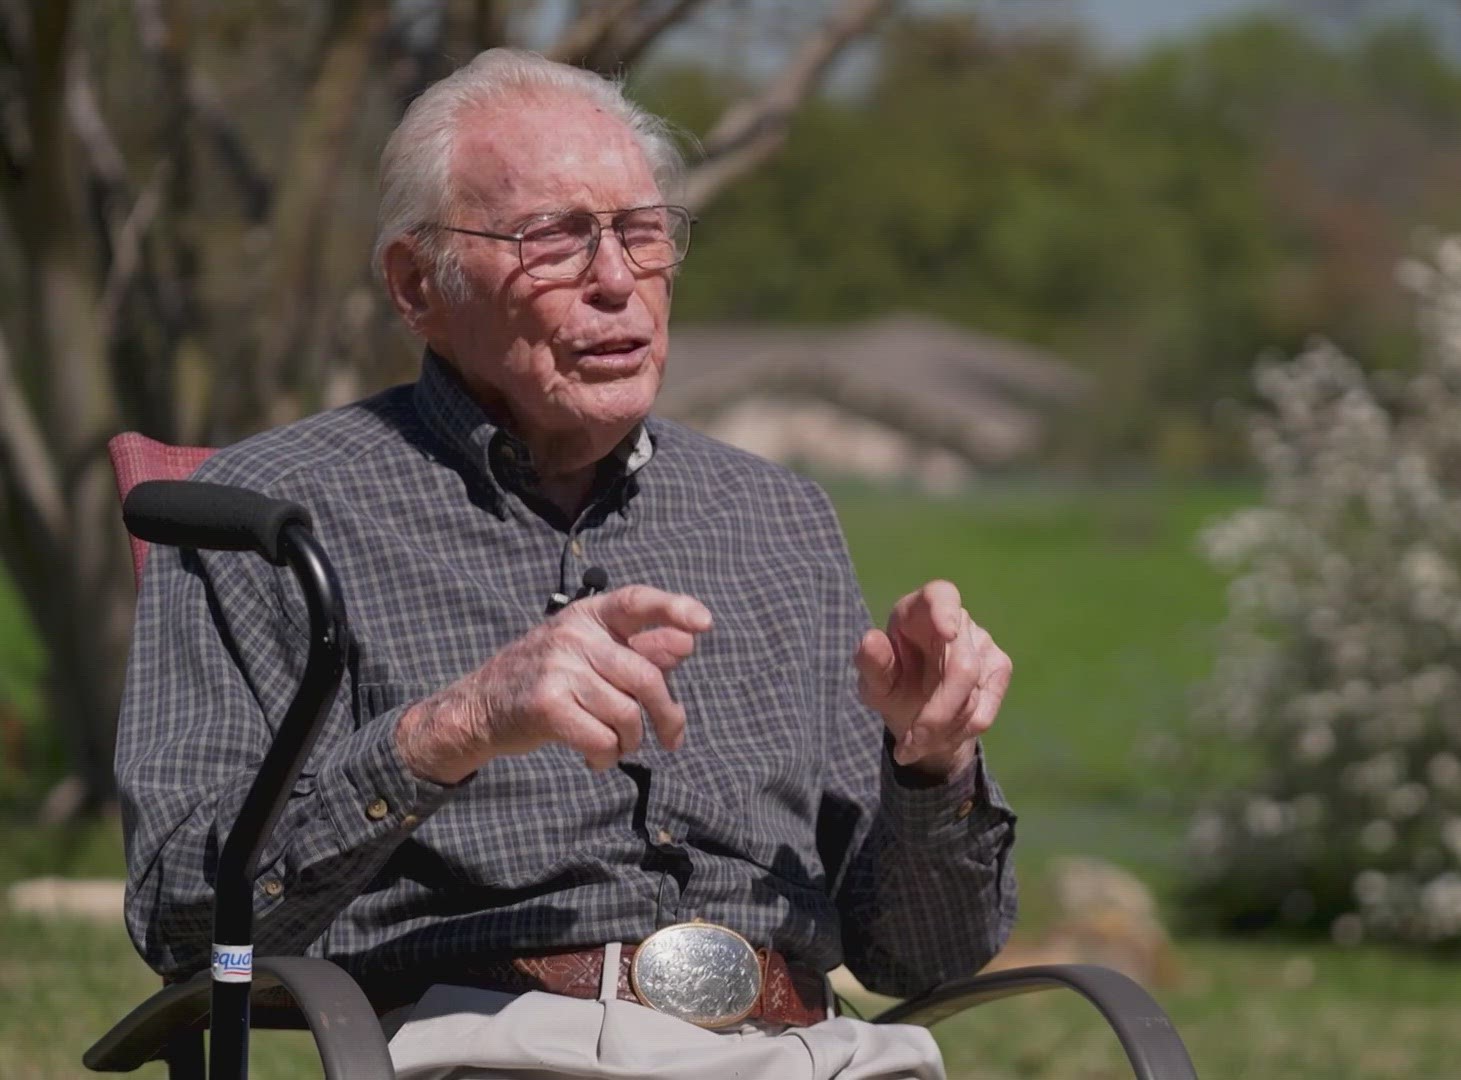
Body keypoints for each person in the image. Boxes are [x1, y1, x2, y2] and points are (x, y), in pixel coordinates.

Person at [116, 49, 1017, 1080]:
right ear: (418, 284)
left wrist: (930, 767)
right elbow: (187, 924)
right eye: (553, 239)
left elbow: (925, 956)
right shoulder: (269, 519)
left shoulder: (779, 517)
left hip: (810, 1052)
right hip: (508, 1046)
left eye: (642, 233)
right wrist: (449, 733)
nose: (615, 281)